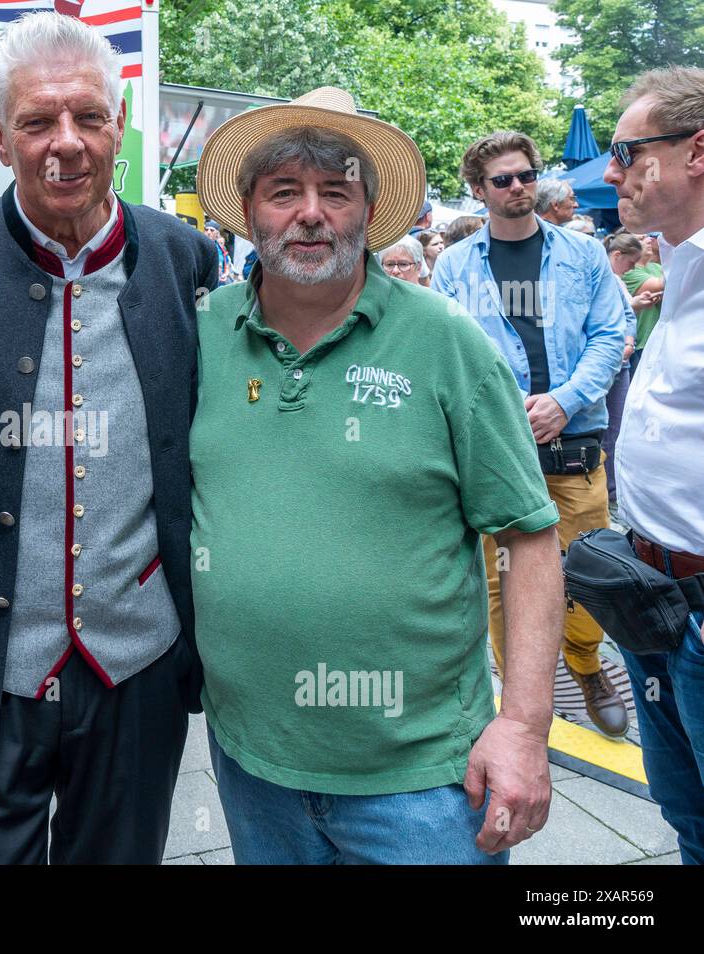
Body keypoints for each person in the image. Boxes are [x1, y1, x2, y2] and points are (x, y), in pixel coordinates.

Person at [192, 87, 563, 864]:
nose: (310, 213)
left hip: (424, 783)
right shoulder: (202, 335)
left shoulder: (446, 342)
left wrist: (525, 727)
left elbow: (529, 538)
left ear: (368, 210)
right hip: (252, 763)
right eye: (284, 191)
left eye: (336, 191)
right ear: (248, 211)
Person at [0, 12, 216, 865]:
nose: (66, 143)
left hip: (136, 659)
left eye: (88, 117)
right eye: (38, 122)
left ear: (121, 125)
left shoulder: (183, 257)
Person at [431, 131, 630, 738]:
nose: (518, 187)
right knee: (502, 580)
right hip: (497, 449)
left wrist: (566, 401)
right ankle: (521, 696)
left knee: (592, 570)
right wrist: (499, 407)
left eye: (526, 175)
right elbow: (447, 350)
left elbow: (610, 334)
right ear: (478, 190)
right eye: (503, 180)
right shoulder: (455, 266)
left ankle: (586, 663)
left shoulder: (583, 254)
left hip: (574, 446)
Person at [602, 65, 704, 864]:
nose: (612, 174)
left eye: (626, 152)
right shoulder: (679, 267)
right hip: (653, 599)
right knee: (685, 810)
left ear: (696, 152)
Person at [601, 231, 644, 509]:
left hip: (620, 366)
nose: (632, 269)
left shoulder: (613, 280)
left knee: (617, 430)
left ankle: (613, 492)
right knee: (603, 431)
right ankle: (608, 492)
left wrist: (628, 340)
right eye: (630, 262)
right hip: (604, 367)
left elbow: (628, 315)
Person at [623, 231, 665, 373]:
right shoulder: (628, 271)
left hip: (659, 337)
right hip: (641, 341)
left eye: (648, 237)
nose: (649, 240)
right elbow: (662, 284)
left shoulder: (656, 267)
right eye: (641, 239)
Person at [206, 218, 236, 284]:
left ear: (217, 233)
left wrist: (226, 273)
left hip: (220, 281)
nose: (208, 232)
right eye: (206, 230)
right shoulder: (201, 246)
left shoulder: (220, 248)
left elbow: (227, 262)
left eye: (212, 230)